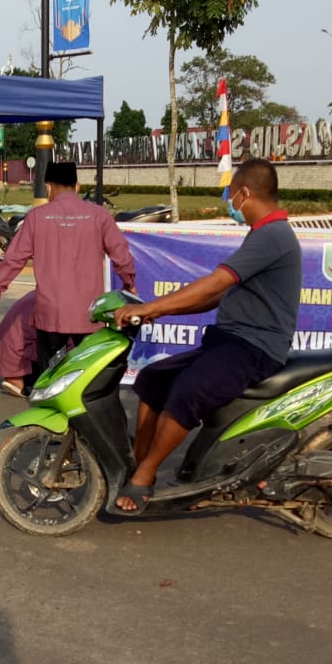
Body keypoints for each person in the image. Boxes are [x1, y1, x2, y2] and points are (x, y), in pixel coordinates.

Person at [115, 158, 301, 514]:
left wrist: (152, 308)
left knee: (187, 392)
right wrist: (157, 310)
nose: (228, 203)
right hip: (229, 340)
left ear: (244, 193)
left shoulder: (273, 235)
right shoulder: (262, 234)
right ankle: (139, 465)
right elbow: (217, 296)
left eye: (230, 194)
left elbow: (216, 282)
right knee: (154, 379)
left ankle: (146, 475)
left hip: (254, 348)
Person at [0, 160, 135, 379]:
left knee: (52, 377)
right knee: (86, 377)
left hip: (50, 316)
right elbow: (122, 257)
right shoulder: (99, 215)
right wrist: (130, 285)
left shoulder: (36, 217)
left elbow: (14, 259)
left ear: (48, 187)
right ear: (77, 186)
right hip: (89, 316)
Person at [0, 291, 37, 397]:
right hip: (16, 348)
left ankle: (15, 375)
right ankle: (19, 379)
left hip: (4, 345)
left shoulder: (41, 292)